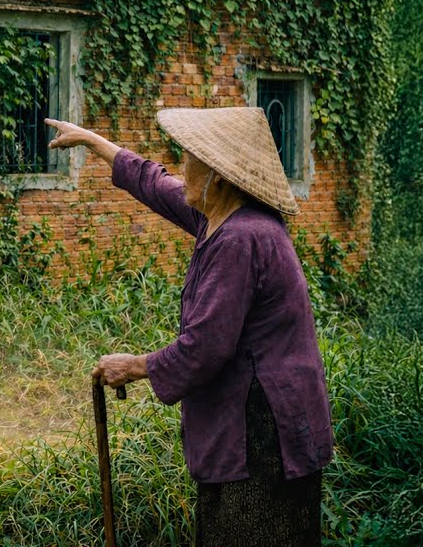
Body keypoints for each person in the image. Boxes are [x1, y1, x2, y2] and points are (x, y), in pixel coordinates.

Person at [47, 108, 332, 546]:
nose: (182, 165)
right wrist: (93, 141)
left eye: (190, 158)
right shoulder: (219, 216)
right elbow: (156, 182)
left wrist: (136, 365)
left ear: (216, 177)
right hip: (250, 417)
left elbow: (206, 346)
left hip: (262, 429)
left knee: (250, 530)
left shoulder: (241, 238)